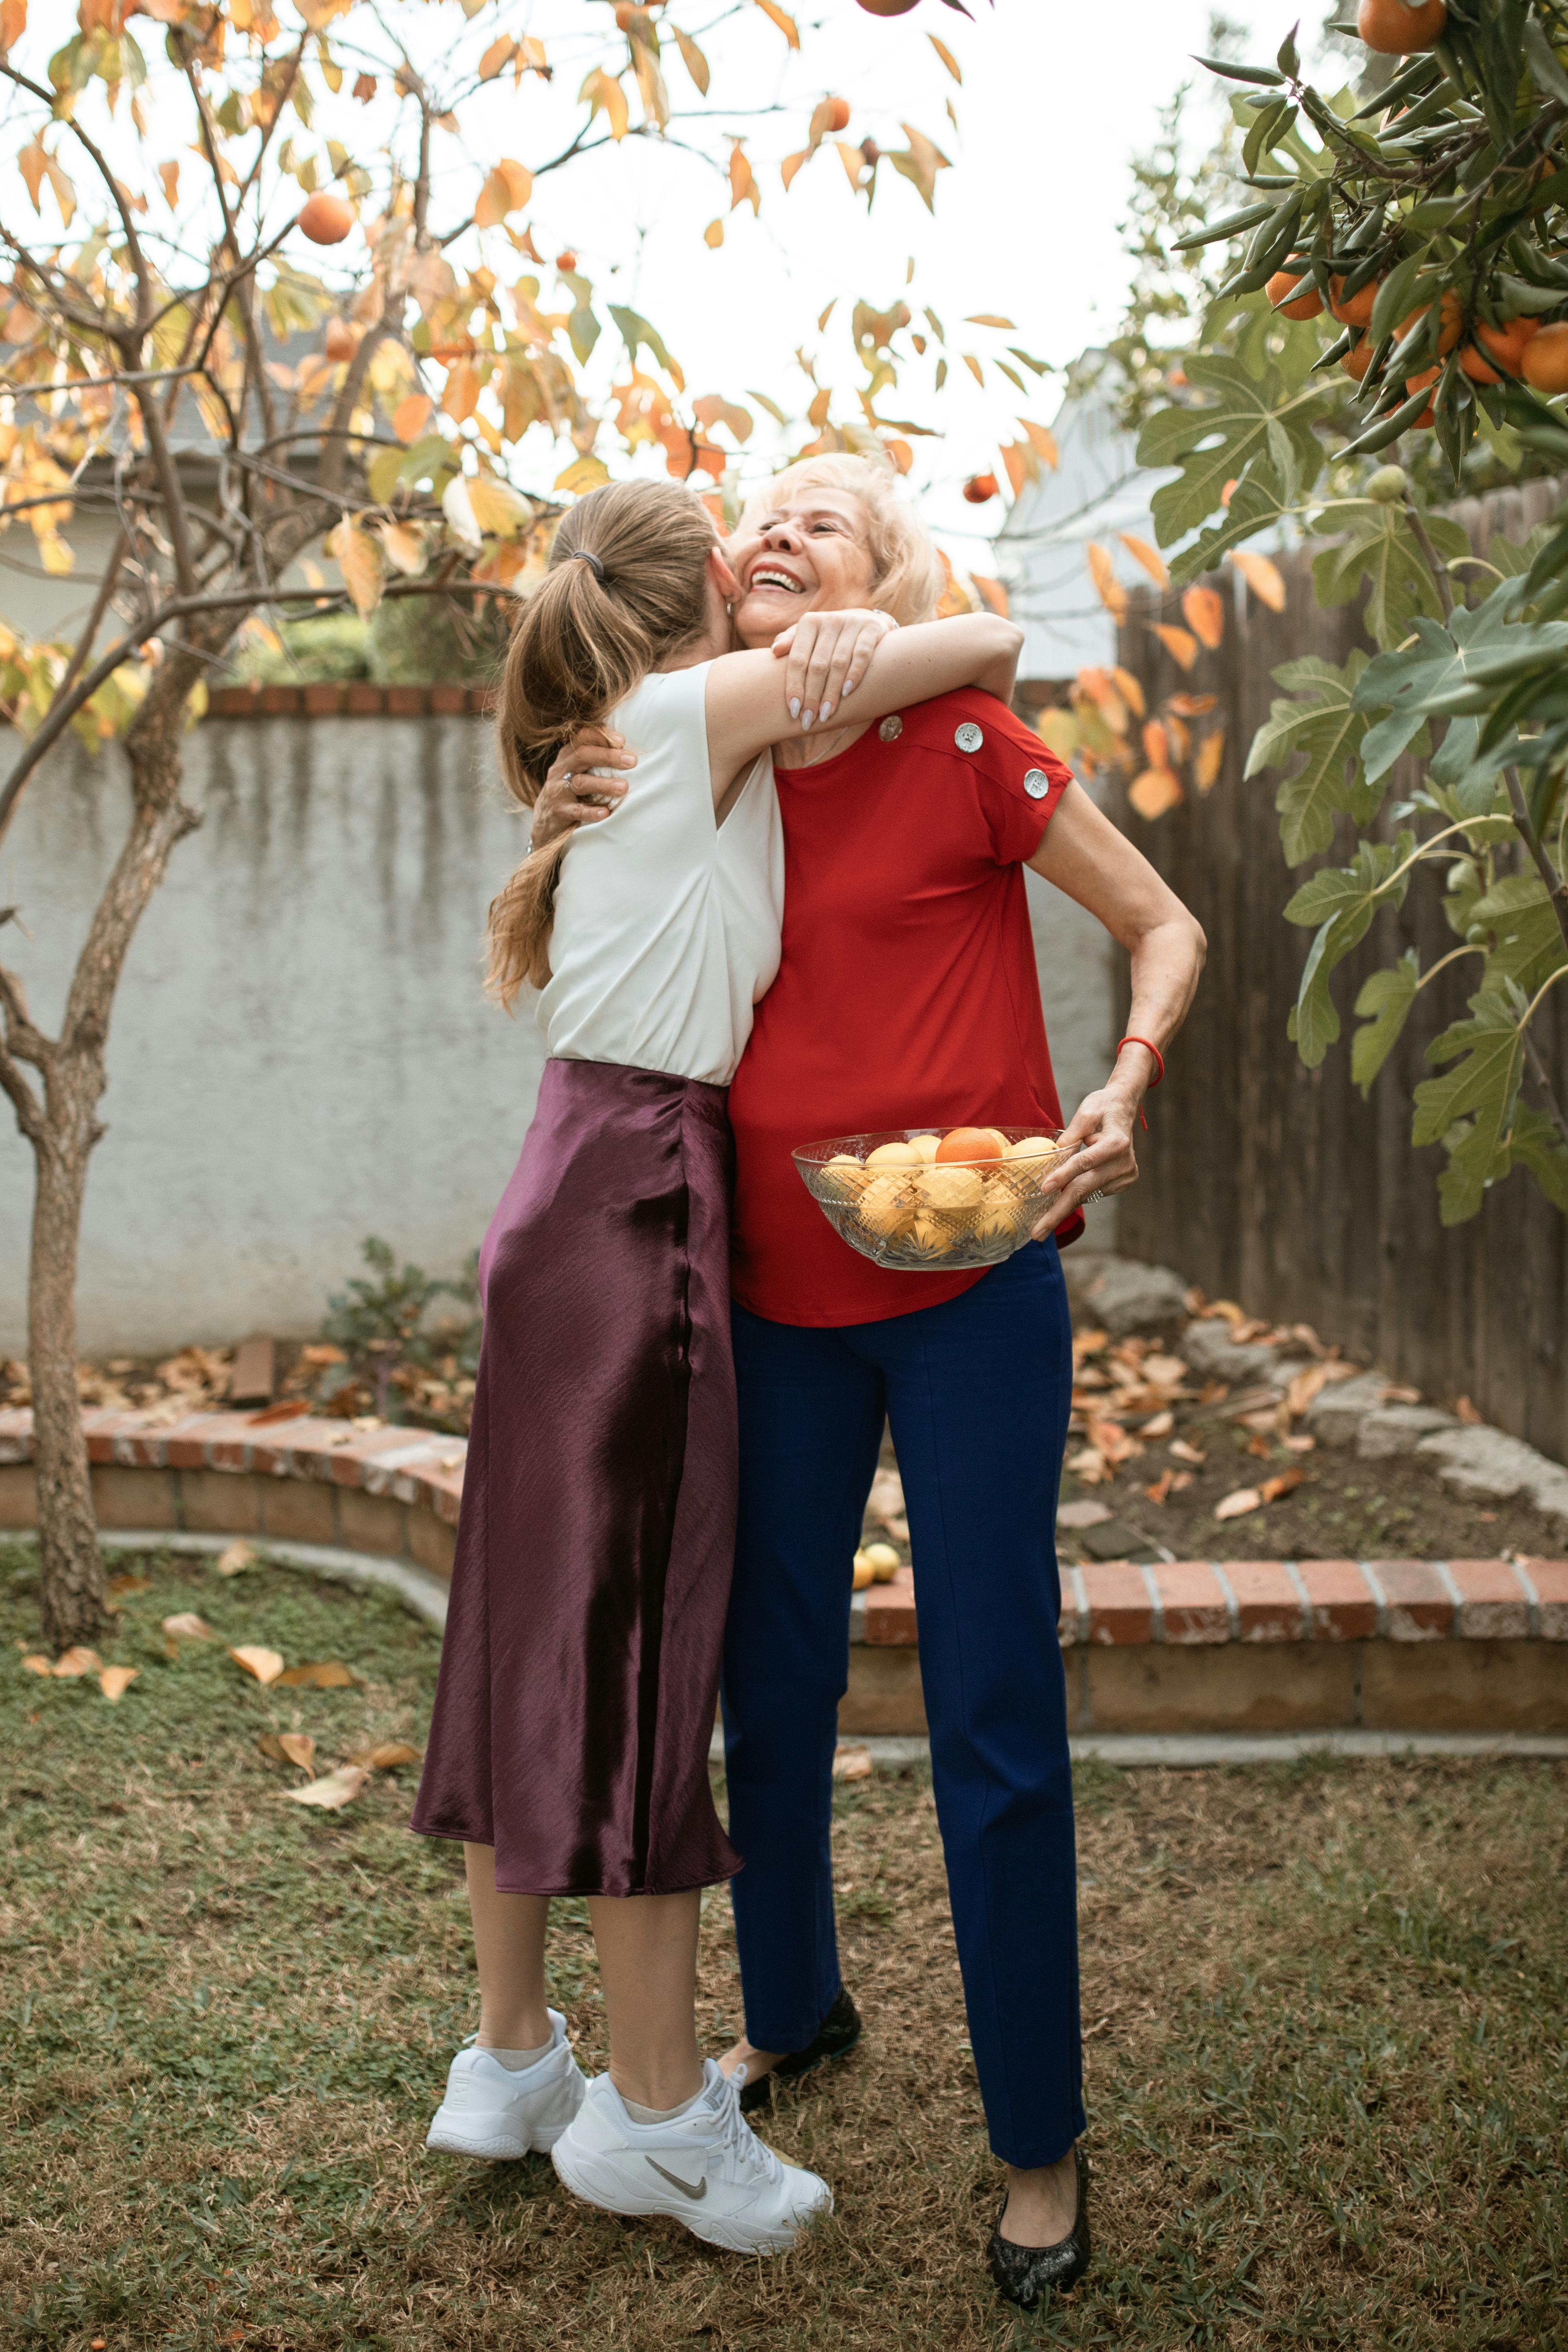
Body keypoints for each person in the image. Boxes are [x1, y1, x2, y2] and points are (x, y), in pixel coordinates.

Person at [531, 453, 1205, 2307]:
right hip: (764, 1296)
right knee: (771, 1675)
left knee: (993, 1699)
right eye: (757, 510)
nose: (772, 526)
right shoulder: (709, 753)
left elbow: (1165, 922)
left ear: (882, 576)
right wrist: (538, 776)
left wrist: (1122, 1086)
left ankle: (1042, 2137)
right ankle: (799, 2006)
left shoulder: (967, 742)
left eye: (821, 512)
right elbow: (560, 724)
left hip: (978, 1286)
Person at [408, 472, 1029, 2259]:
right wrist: (854, 630)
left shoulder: (634, 730)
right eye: (744, 551)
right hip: (642, 1200)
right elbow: (989, 639)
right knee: (640, 1647)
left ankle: (514, 2054)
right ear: (693, 610)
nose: (777, 562)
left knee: (530, 1615)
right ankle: (665, 2115)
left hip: (562, 1180)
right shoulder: (687, 713)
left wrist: (820, 640)